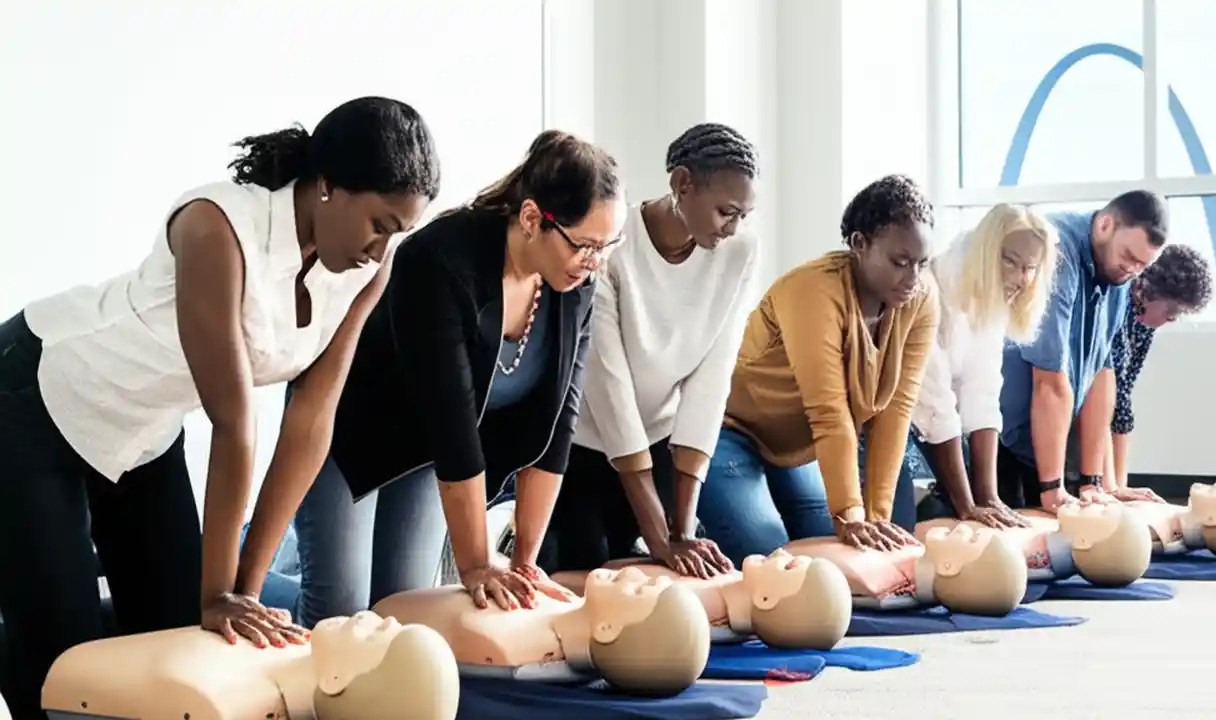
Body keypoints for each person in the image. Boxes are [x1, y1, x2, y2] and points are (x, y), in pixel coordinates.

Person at [0, 96, 440, 720]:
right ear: (329, 187)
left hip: (146, 432)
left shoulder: (368, 268)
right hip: (37, 400)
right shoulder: (216, 226)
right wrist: (219, 596)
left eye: (400, 231)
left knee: (182, 639)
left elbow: (311, 421)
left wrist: (245, 593)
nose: (382, 247)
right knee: (65, 668)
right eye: (380, 223)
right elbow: (234, 420)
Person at [289, 130, 625, 628]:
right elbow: (453, 421)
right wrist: (476, 564)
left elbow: (559, 422)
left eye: (607, 247)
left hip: (424, 450)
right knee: (338, 611)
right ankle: (252, 592)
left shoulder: (573, 284)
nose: (595, 262)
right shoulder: (444, 260)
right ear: (533, 219)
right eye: (586, 245)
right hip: (351, 429)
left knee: (399, 612)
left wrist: (525, 561)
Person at [539, 123, 759, 579]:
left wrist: (681, 529)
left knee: (664, 566)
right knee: (590, 566)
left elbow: (710, 382)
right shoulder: (612, 244)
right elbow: (610, 390)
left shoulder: (739, 253)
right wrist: (660, 537)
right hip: (582, 439)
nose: (733, 227)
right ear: (682, 184)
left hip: (657, 436)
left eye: (744, 215)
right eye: (725, 211)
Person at [696, 174, 940, 566]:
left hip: (796, 448)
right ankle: (697, 522)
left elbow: (896, 410)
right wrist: (850, 513)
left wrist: (873, 519)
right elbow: (829, 410)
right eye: (900, 261)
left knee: (837, 553)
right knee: (772, 554)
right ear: (860, 244)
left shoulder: (921, 299)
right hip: (729, 430)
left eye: (922, 263)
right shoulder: (813, 291)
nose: (913, 277)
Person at [996, 190, 1169, 514]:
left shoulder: (1119, 276)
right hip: (997, 435)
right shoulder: (1056, 253)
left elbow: (1102, 375)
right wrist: (1052, 488)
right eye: (1128, 255)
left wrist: (1095, 483)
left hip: (1046, 442)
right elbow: (1049, 381)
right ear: (1105, 225)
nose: (1131, 269)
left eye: (1141, 265)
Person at [912, 204, 1059, 528]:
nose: (1020, 278)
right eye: (1009, 261)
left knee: (992, 503)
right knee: (903, 526)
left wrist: (988, 497)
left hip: (932, 422)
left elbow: (983, 393)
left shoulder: (991, 301)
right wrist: (967, 506)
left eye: (1030, 268)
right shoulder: (927, 288)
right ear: (986, 253)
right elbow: (934, 401)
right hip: (884, 423)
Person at [1102, 243, 1215, 492]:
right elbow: (1104, 398)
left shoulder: (1144, 326)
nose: (1171, 320)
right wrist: (1111, 487)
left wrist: (1121, 486)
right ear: (1149, 290)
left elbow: (1123, 397)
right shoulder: (1115, 304)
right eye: (1172, 312)